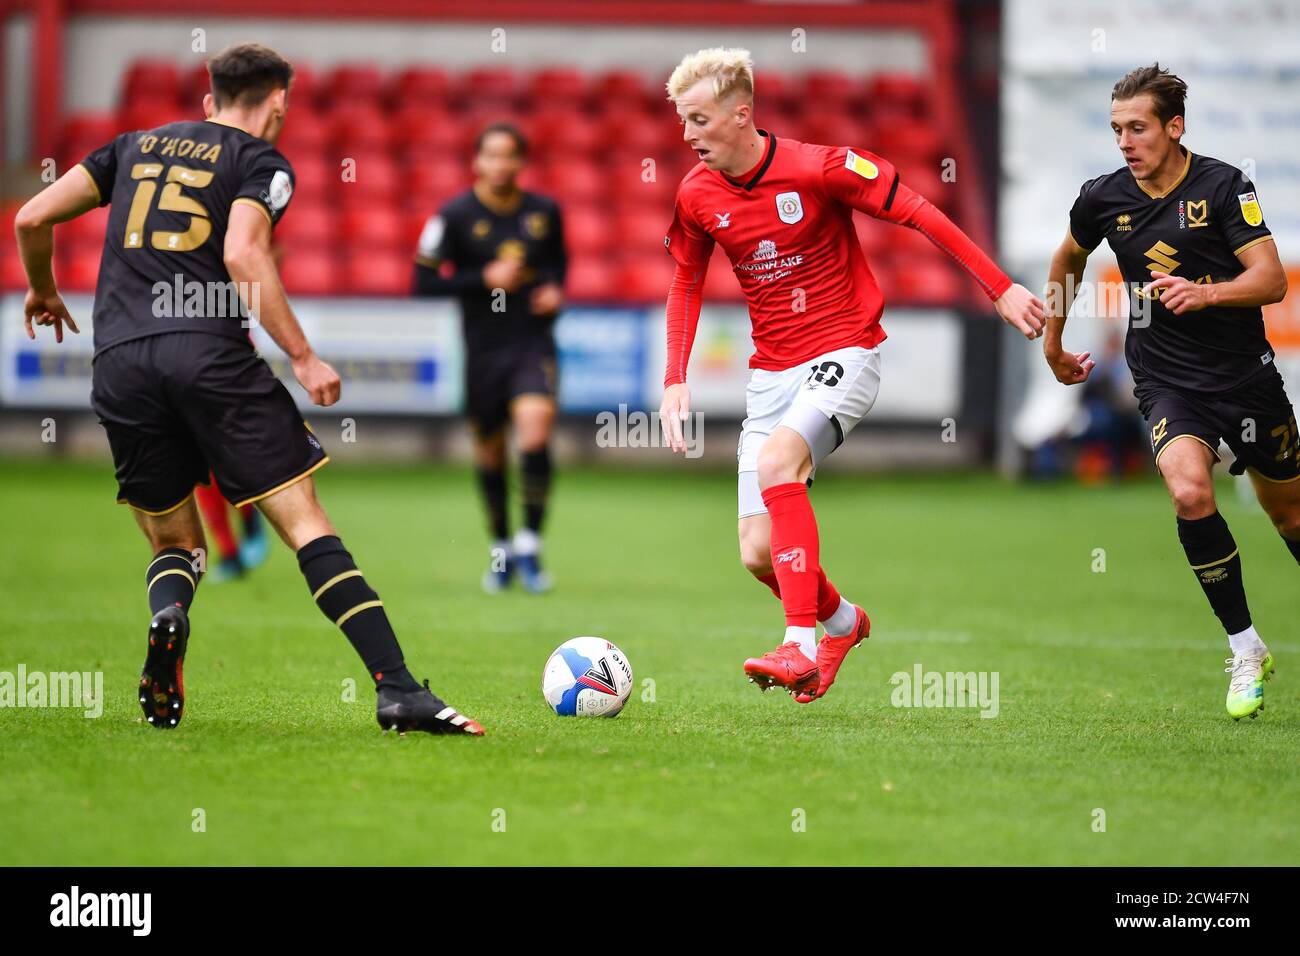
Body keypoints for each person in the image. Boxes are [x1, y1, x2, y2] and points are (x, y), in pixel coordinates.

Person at [14, 42, 482, 736]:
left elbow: (31, 217)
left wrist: (44, 290)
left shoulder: (132, 146)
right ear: (279, 105)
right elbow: (240, 252)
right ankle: (398, 689)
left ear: (209, 102)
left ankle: (170, 615)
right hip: (209, 356)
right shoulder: (260, 161)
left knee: (175, 542)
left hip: (119, 361)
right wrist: (304, 355)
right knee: (305, 524)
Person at [658, 48, 1044, 702]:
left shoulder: (820, 168)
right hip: (771, 374)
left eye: (699, 119)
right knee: (757, 553)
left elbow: (921, 211)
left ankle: (798, 647)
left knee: (782, 464)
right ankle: (840, 623)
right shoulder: (697, 195)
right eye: (683, 121)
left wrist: (1000, 288)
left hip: (846, 351)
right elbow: (686, 281)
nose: (687, 135)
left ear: (741, 114)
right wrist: (675, 378)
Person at [1045, 63, 1293, 720]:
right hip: (1166, 382)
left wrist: (1205, 291)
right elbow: (1068, 259)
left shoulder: (1222, 186)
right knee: (1188, 489)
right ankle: (1245, 648)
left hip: (1245, 379)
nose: (1125, 141)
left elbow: (1271, 280)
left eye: (1137, 127)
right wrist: (1051, 340)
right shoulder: (1102, 197)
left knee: (1291, 515)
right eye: (1116, 129)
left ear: (1174, 126)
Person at [413, 123, 567, 594]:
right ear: (476, 162)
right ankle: (501, 550)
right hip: (483, 351)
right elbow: (422, 282)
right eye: (492, 156)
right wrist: (484, 279)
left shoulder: (545, 212)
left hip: (531, 343)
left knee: (535, 430)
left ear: (521, 162)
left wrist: (554, 292)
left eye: (510, 156)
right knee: (491, 452)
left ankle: (530, 545)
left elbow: (560, 263)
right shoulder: (454, 215)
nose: (501, 165)